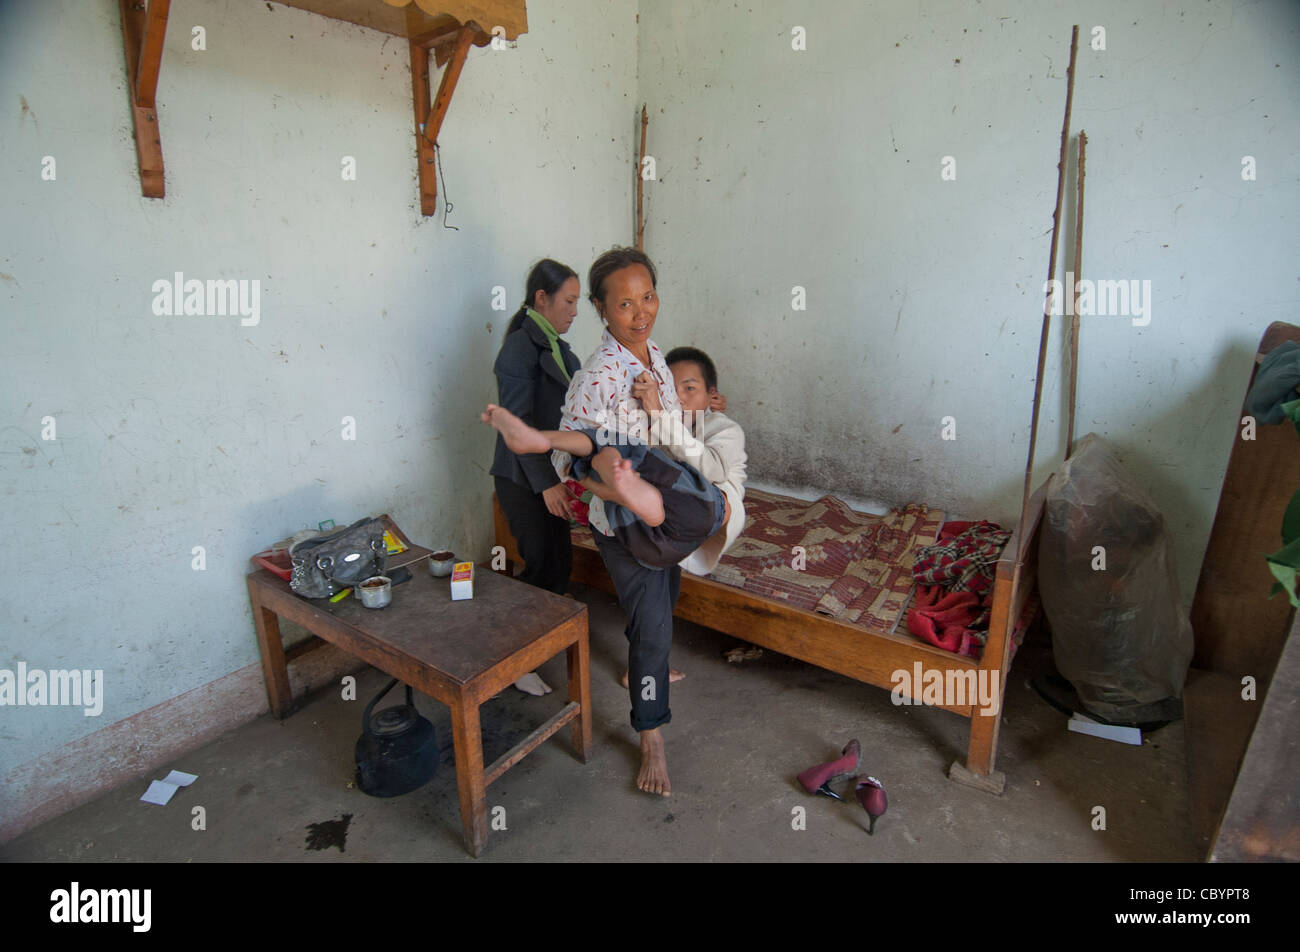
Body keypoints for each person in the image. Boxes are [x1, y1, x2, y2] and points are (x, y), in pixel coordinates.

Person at [549, 247, 688, 796]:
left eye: (648, 296)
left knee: (666, 595)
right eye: (625, 304)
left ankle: (638, 670)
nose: (641, 312)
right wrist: (612, 486)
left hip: (668, 507)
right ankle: (650, 733)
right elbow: (566, 456)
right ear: (602, 312)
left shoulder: (654, 356)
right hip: (624, 522)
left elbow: (672, 428)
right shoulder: (598, 376)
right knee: (653, 624)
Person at [480, 404, 730, 571]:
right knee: (619, 461)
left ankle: (545, 439)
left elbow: (603, 489)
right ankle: (632, 487)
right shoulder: (710, 493)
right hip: (692, 519)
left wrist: (586, 480)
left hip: (645, 544)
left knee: (609, 448)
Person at [489, 259, 582, 695]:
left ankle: (538, 647)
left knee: (559, 566)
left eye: (578, 302)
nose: (575, 310)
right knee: (540, 568)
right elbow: (515, 423)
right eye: (569, 300)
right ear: (541, 299)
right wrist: (545, 484)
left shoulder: (561, 351)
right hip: (524, 479)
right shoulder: (520, 347)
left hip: (552, 475)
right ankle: (511, 662)